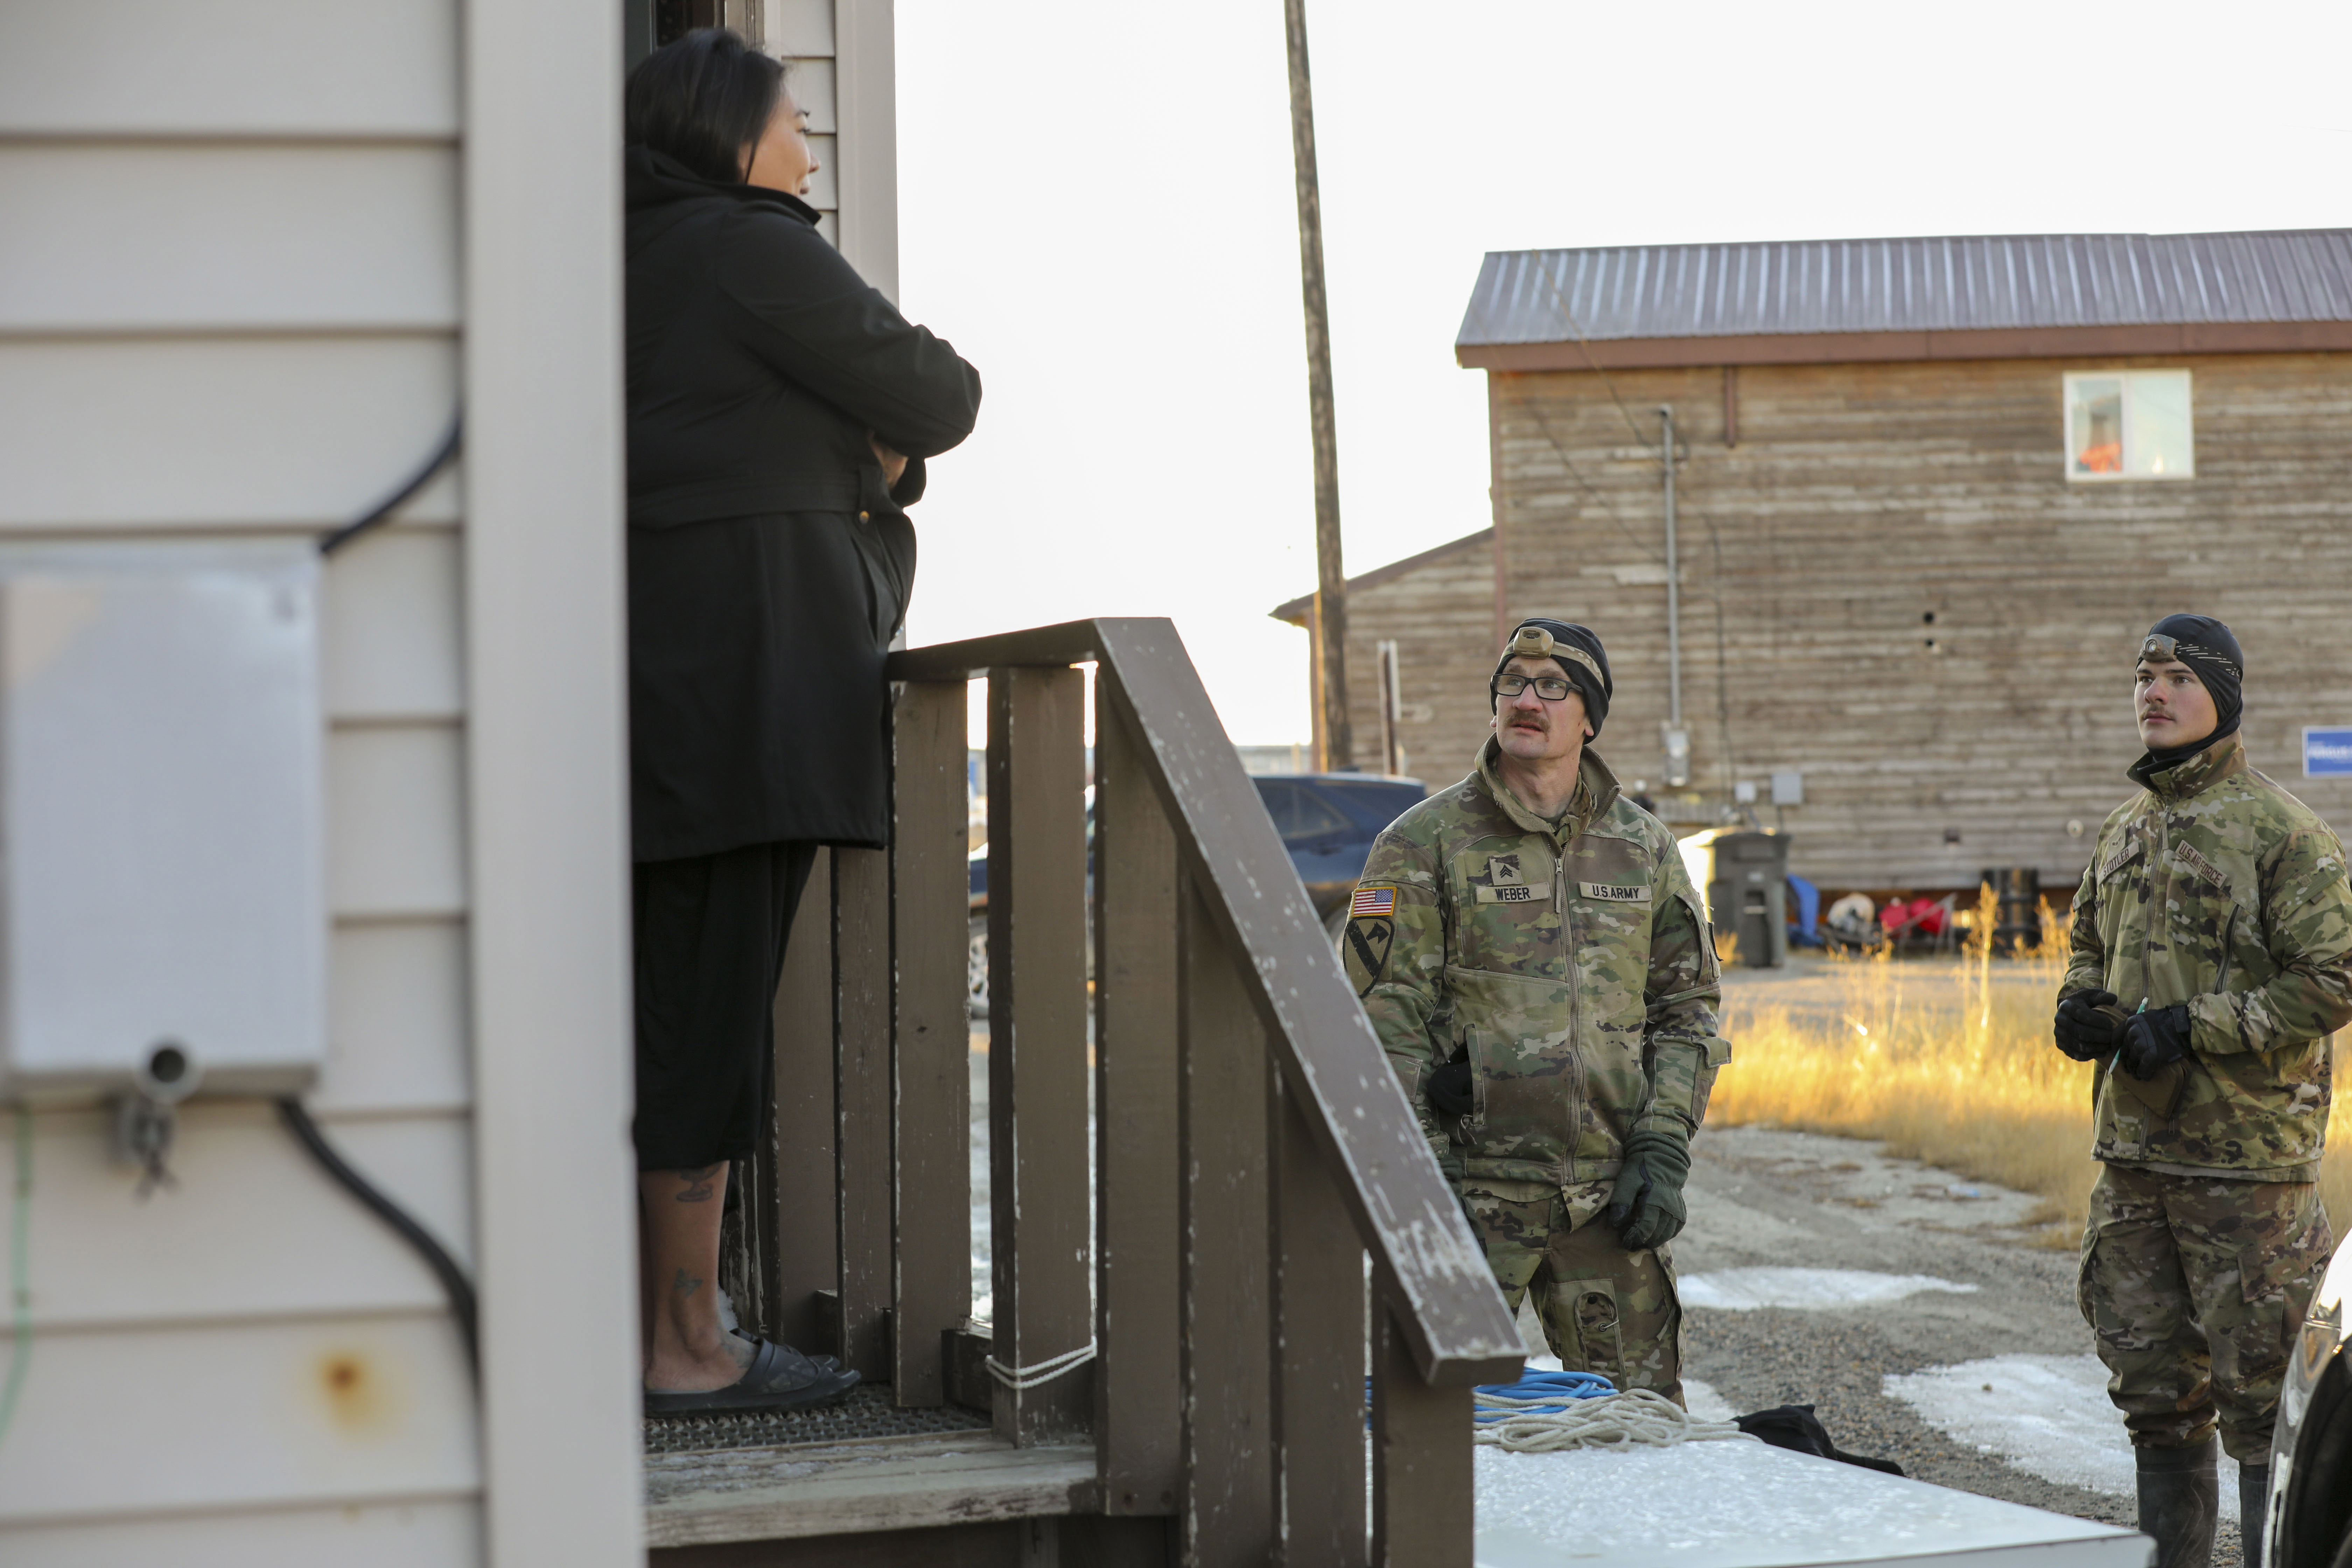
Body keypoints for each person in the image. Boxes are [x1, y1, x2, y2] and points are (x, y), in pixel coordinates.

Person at [623, 30, 982, 1413]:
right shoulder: (747, 245)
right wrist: (866, 462)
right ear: (731, 134)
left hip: (654, 689)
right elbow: (939, 397)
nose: (811, 153)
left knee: (657, 1015)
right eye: (795, 126)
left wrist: (853, 461)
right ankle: (685, 1348)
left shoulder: (633, 260)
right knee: (702, 1031)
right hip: (742, 705)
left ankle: (660, 1330)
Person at [1342, 619, 1730, 1400]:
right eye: (1512, 684)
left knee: (1641, 1431)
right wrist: (1426, 1181)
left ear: (1589, 717)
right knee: (1430, 1434)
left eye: (1554, 686)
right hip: (1472, 1194)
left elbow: (1685, 1007)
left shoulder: (1644, 847)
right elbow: (1384, 1023)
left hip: (1605, 1199)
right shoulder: (1423, 843)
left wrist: (1661, 1149)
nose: (1528, 698)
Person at [2053, 615, 2351, 1568]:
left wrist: (2194, 1025)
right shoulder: (2122, 829)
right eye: (2144, 674)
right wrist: (2077, 1014)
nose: (2154, 691)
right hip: (2134, 1166)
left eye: (2178, 675)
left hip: (2248, 1176)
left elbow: (2334, 980)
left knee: (2266, 1407)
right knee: (2152, 1398)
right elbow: (2087, 952)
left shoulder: (2282, 834)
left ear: (2222, 694)